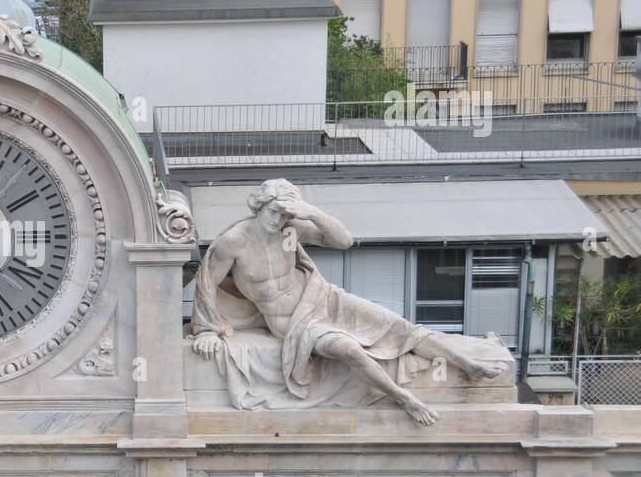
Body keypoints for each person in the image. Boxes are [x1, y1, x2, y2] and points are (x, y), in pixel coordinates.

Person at [190, 179, 506, 425]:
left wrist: (310, 212)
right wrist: (206, 328)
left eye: (286, 213)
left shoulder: (292, 228)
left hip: (322, 297)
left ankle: (469, 363)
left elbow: (343, 241)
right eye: (274, 212)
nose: (279, 219)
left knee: (400, 327)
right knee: (349, 349)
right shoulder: (234, 242)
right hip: (296, 324)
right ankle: (405, 398)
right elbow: (207, 283)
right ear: (258, 207)